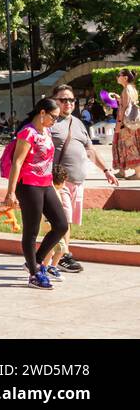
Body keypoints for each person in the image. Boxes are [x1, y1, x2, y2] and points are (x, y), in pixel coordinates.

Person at [1, 97, 69, 289]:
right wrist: (11, 193)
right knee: (32, 231)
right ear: (42, 113)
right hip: (28, 184)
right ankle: (34, 274)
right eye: (53, 117)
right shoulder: (27, 133)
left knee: (61, 224)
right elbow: (17, 162)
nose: (55, 121)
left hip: (45, 183)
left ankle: (35, 261)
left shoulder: (46, 130)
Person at [49, 82, 117, 272]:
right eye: (63, 100)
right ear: (54, 100)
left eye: (71, 100)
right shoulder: (49, 122)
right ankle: (63, 256)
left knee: (67, 221)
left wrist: (106, 171)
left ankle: (53, 255)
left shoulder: (77, 123)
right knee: (63, 220)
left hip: (77, 182)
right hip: (58, 183)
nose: (68, 103)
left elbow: (91, 151)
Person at [44, 165, 74, 280]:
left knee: (50, 249)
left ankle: (46, 267)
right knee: (61, 248)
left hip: (49, 225)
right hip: (53, 226)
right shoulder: (55, 193)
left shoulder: (49, 191)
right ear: (62, 181)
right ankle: (51, 267)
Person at [112, 70, 140, 179]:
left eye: (119, 75)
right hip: (133, 123)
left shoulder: (126, 90)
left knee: (130, 147)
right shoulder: (132, 89)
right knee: (124, 145)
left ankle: (138, 174)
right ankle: (122, 171)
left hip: (126, 124)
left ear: (125, 78)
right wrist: (119, 99)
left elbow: (124, 109)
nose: (117, 77)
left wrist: (119, 124)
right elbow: (128, 105)